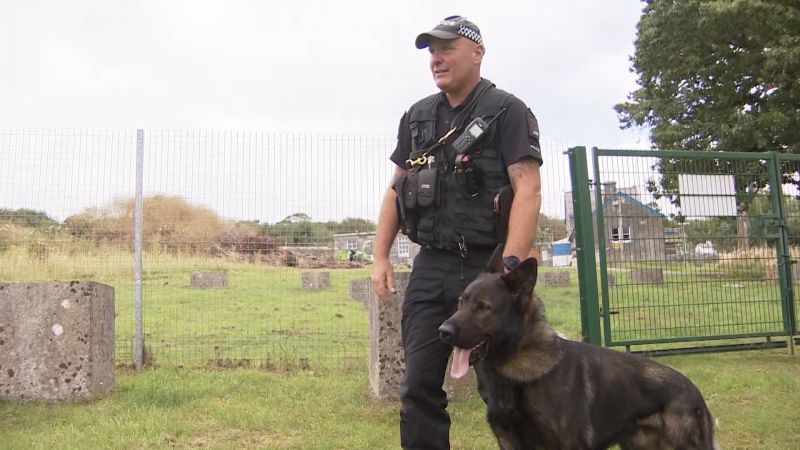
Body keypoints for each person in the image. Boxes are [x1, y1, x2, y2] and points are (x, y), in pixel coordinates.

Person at [371, 15, 543, 450]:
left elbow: (528, 187)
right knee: (418, 387)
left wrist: (511, 270)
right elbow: (396, 188)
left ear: (477, 52)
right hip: (432, 264)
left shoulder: (508, 111)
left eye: (447, 47)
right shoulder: (417, 117)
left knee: (508, 390)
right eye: (431, 50)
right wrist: (380, 255)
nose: (437, 57)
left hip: (487, 265)